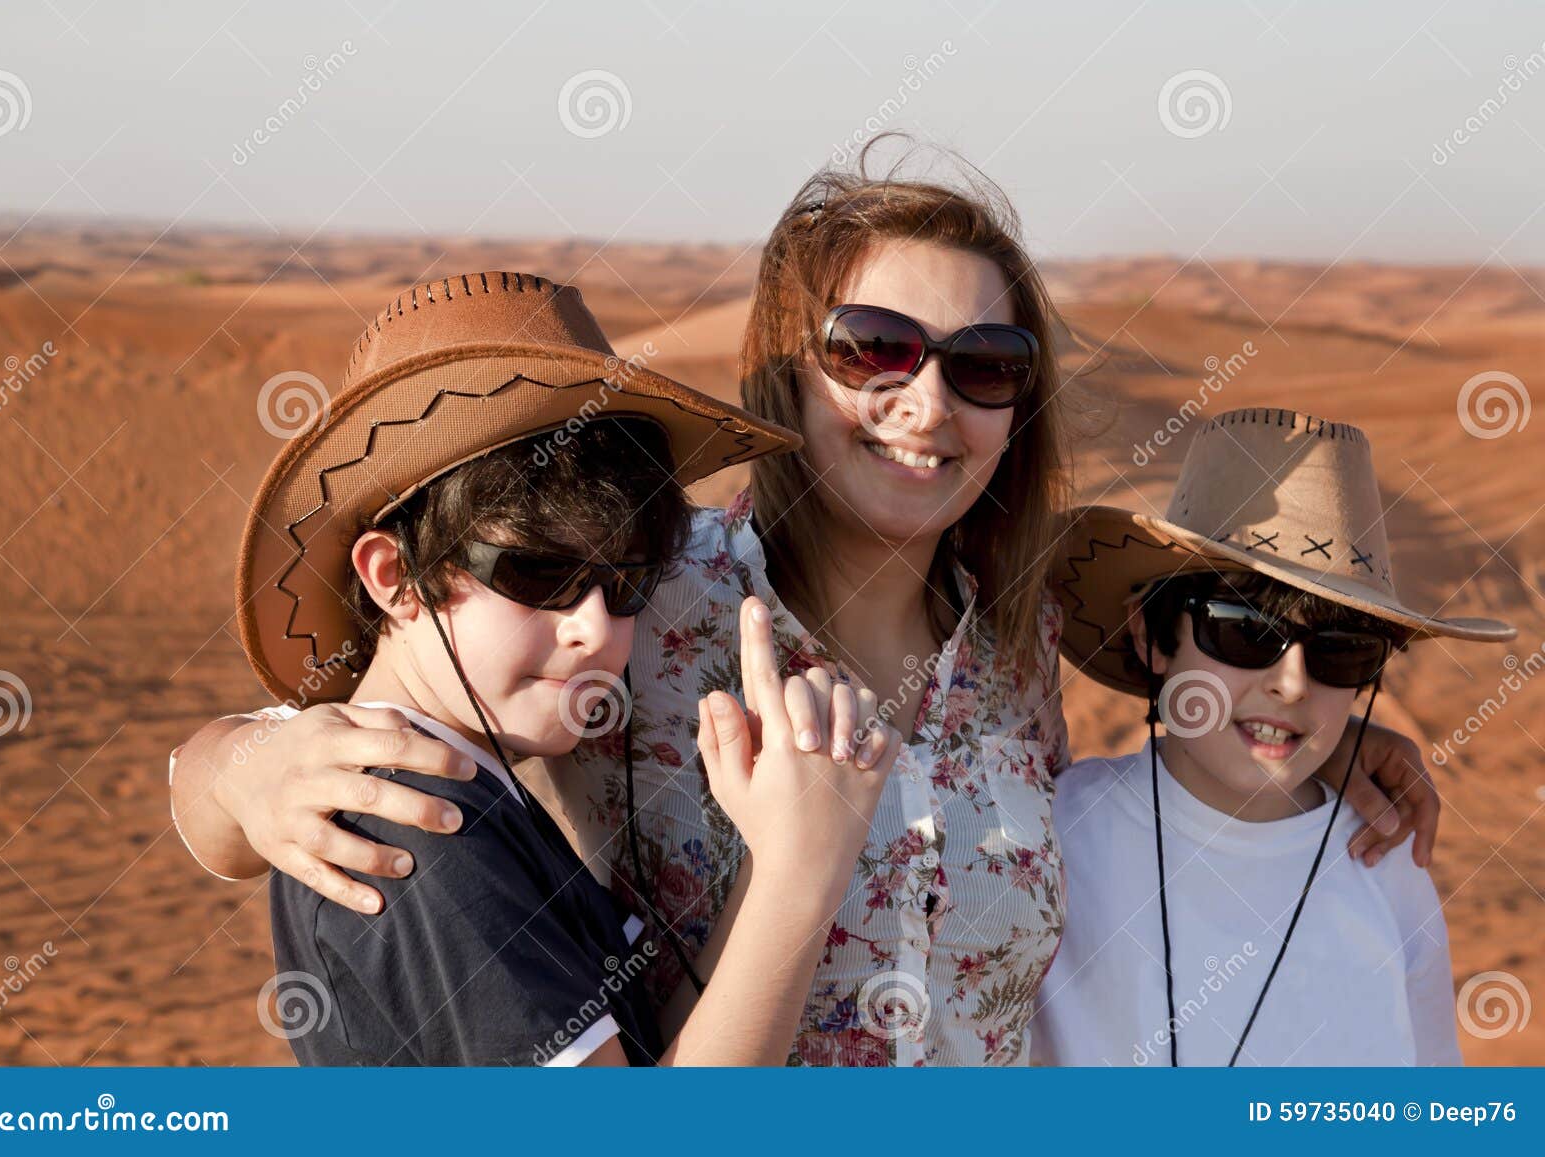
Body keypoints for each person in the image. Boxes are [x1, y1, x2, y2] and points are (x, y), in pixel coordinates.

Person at [170, 147, 1443, 1066]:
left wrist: (1333, 743)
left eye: (985, 368)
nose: (928, 403)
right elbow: (376, 736)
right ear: (788, 368)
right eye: (872, 347)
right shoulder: (634, 599)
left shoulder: (1017, 639)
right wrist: (240, 765)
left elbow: (1207, 716)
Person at [232, 271, 897, 1065]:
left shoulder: (468, 791)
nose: (593, 627)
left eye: (628, 582)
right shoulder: (416, 833)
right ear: (396, 577)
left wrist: (778, 851)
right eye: (538, 573)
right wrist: (798, 879)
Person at [1031, 407, 1513, 1066]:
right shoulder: (1051, 839)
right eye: (1246, 630)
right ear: (1151, 632)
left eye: (1341, 650)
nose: (1291, 682)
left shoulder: (1387, 863)